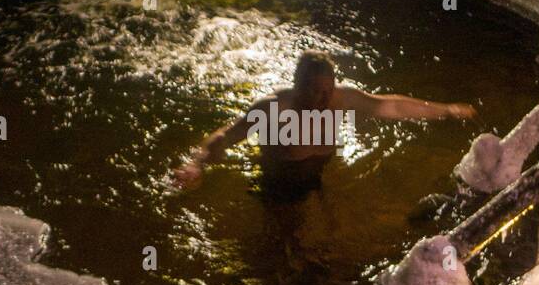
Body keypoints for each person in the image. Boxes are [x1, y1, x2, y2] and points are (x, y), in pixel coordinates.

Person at [173, 51, 476, 196]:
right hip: (282, 182)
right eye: (315, 91)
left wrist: (445, 110)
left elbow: (389, 105)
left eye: (327, 90)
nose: (322, 99)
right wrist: (198, 163)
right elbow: (226, 135)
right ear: (297, 85)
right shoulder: (274, 108)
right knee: (288, 240)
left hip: (324, 170)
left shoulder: (340, 98)